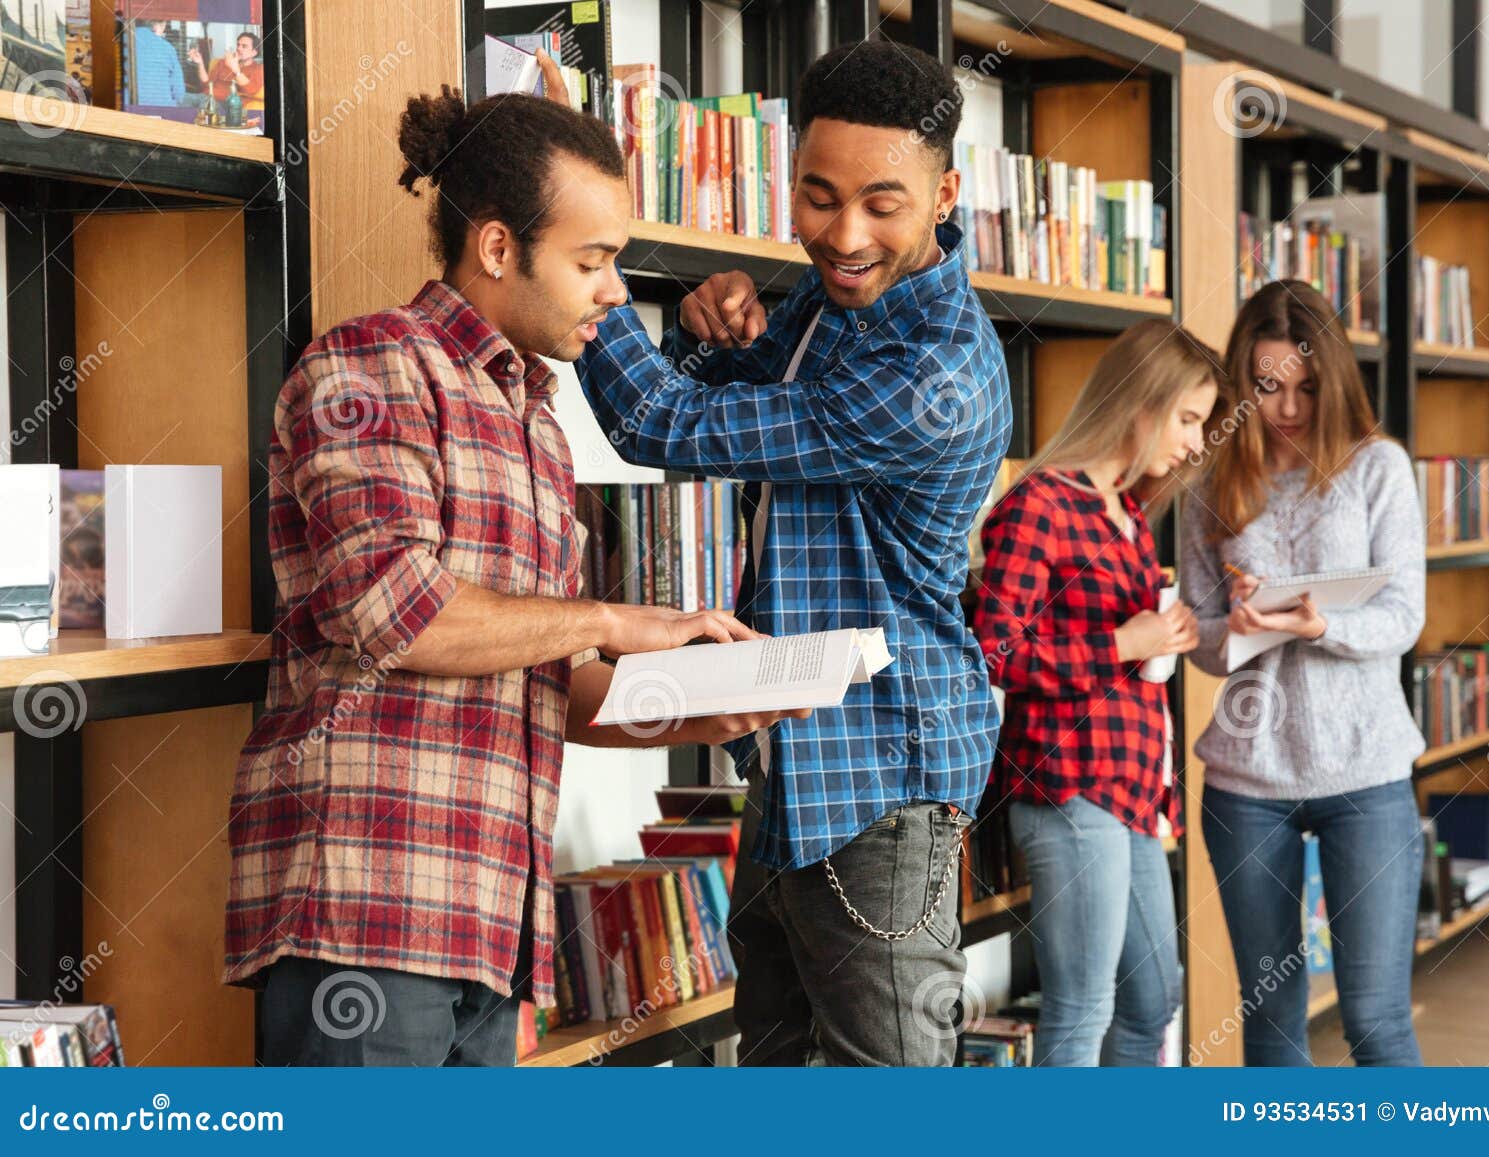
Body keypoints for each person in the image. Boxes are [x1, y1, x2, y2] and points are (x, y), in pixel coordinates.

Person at [224, 89, 802, 1067]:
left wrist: (693, 710)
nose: (615, 291)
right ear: (498, 248)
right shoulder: (368, 370)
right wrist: (624, 618)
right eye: (591, 260)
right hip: (368, 915)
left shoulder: (535, 422)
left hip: (495, 922)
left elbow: (541, 671)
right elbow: (397, 615)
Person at [552, 41, 1012, 1065]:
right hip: (794, 760)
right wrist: (712, 325)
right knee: (771, 1061)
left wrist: (582, 253)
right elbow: (717, 395)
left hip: (879, 776)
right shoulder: (834, 301)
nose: (843, 235)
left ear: (945, 194)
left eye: (882, 204)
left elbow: (659, 424)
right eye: (817, 196)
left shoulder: (934, 376)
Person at [1181, 279, 1427, 1066]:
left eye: (1306, 387)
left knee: (1376, 1019)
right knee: (1274, 1021)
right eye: (1266, 387)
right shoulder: (1210, 480)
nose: (1286, 408)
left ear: (1335, 381)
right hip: (1248, 781)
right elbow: (1200, 636)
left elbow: (1403, 618)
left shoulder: (1378, 467)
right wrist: (1239, 630)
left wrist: (1320, 623)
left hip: (1367, 770)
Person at [974, 319, 1219, 1066]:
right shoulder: (1042, 503)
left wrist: (1163, 635)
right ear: (1139, 404)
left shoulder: (1130, 515)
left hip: (1135, 789)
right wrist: (1124, 643)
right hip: (1070, 790)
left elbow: (1132, 643)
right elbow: (995, 651)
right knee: (1082, 1011)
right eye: (1187, 419)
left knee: (1153, 998)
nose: (1197, 442)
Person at [189, 31, 267, 111]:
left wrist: (236, 70)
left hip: (225, 103)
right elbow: (207, 84)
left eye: (244, 46)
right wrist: (200, 63)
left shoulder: (258, 69)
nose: (239, 48)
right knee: (179, 98)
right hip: (204, 97)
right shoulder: (222, 62)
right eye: (238, 45)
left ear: (254, 52)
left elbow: (251, 90)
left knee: (205, 107)